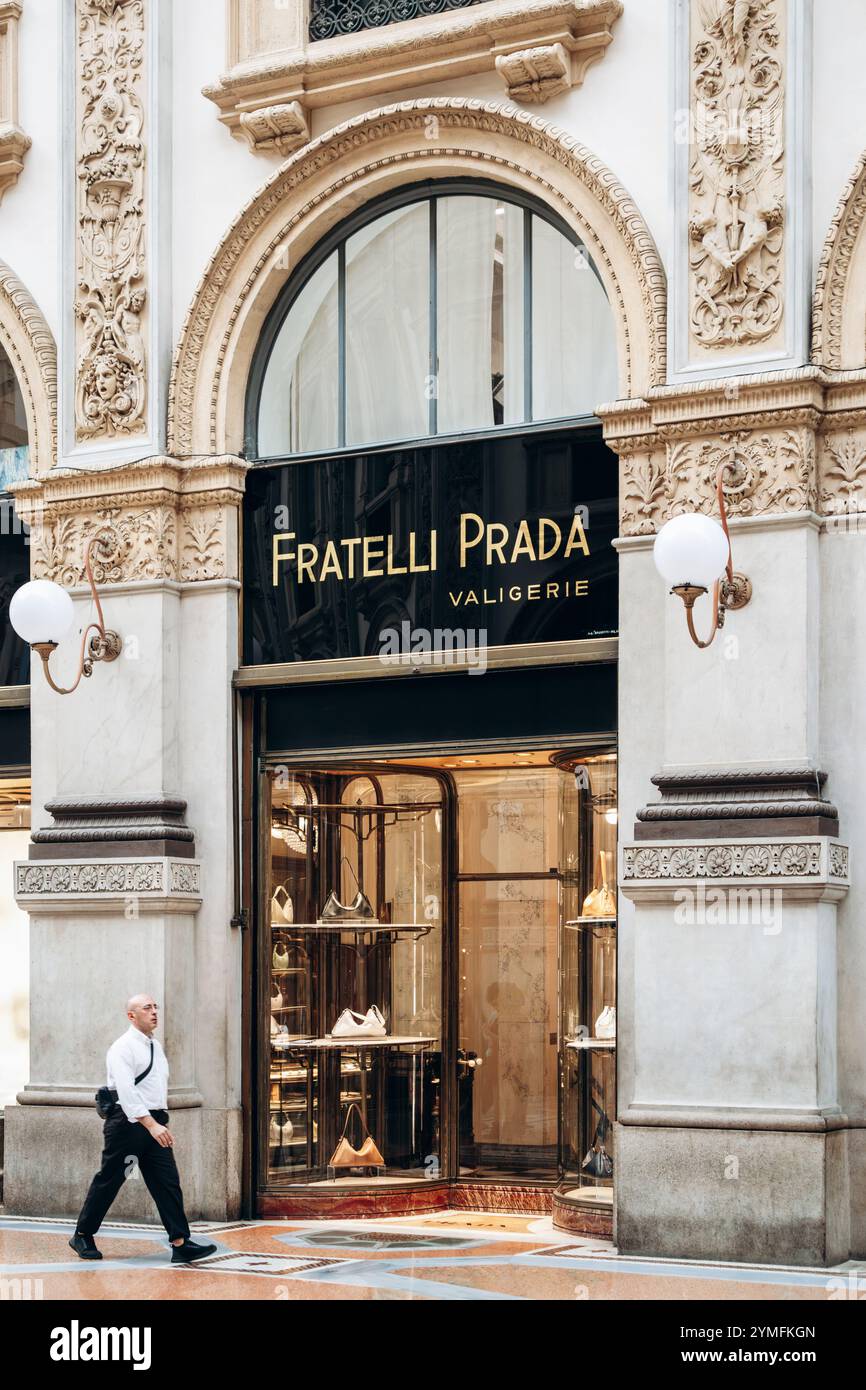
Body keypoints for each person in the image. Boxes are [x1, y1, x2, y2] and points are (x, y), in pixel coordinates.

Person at [68, 995, 216, 1264]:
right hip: (129, 1126)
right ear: (131, 1016)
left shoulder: (154, 1046)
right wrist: (150, 1124)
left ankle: (180, 1243)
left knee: (167, 1182)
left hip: (154, 1123)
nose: (154, 1012)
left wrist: (158, 1121)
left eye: (155, 1006)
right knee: (112, 1179)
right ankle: (82, 1234)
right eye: (147, 1008)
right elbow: (126, 1091)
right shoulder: (122, 1048)